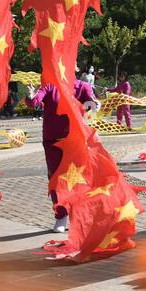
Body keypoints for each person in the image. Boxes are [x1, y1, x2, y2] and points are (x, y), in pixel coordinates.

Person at [28, 72, 100, 231]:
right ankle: (61, 216)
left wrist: (93, 104)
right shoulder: (49, 85)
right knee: (55, 178)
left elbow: (92, 104)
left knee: (77, 178)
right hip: (52, 141)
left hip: (75, 141)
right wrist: (31, 96)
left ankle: (78, 213)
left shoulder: (82, 86)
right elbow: (34, 103)